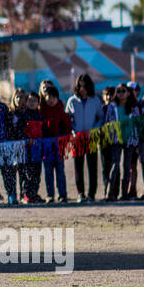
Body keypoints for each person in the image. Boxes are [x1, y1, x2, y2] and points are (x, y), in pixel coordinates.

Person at [65, 74, 103, 203]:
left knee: (93, 167)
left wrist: (94, 130)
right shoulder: (72, 101)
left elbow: (100, 117)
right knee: (78, 167)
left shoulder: (95, 100)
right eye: (80, 86)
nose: (82, 89)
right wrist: (73, 131)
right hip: (77, 139)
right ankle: (80, 193)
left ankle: (91, 193)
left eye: (85, 87)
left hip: (91, 138)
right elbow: (67, 119)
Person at [39, 84, 70, 203]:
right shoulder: (42, 111)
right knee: (48, 172)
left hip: (59, 147)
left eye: (53, 97)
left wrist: (65, 140)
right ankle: (50, 194)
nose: (51, 100)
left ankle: (63, 194)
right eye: (48, 97)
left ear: (57, 98)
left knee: (60, 171)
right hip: (46, 147)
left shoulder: (61, 111)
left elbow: (67, 127)